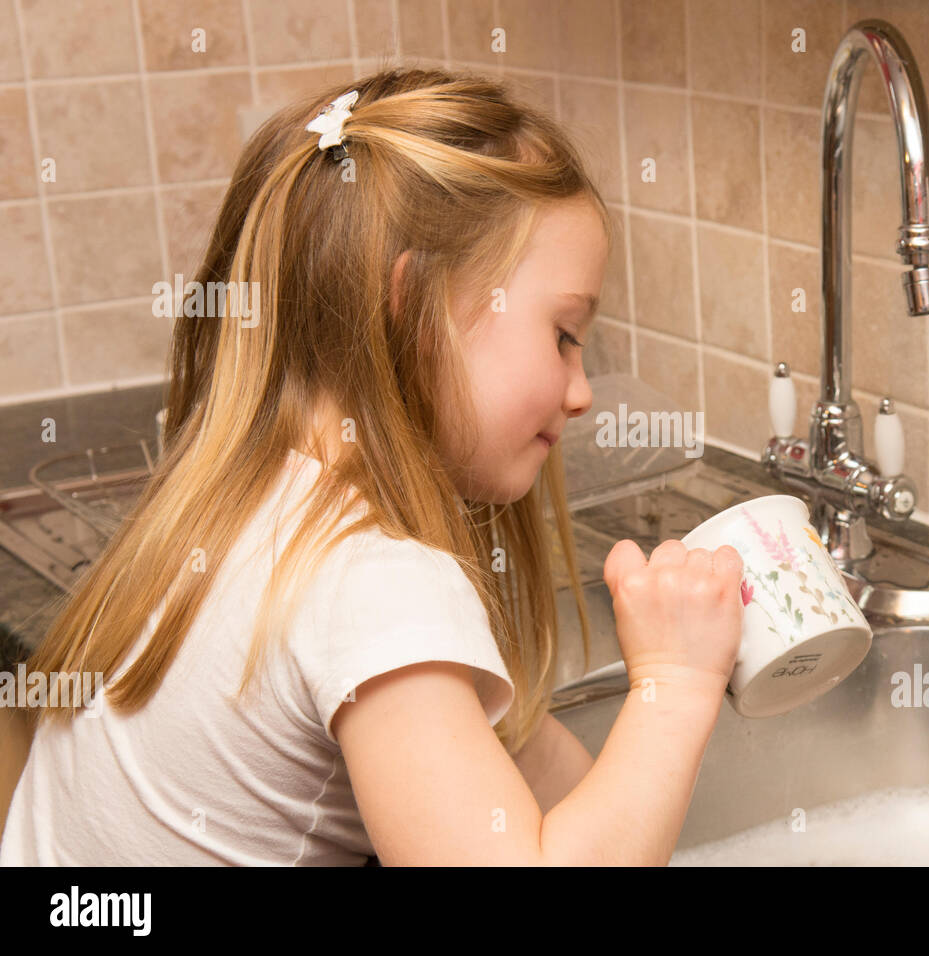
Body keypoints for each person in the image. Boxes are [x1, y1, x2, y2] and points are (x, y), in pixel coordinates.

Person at [0, 67, 743, 867]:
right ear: (413, 306)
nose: (581, 391)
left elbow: (521, 760)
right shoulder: (372, 580)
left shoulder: (244, 499)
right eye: (563, 334)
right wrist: (675, 684)